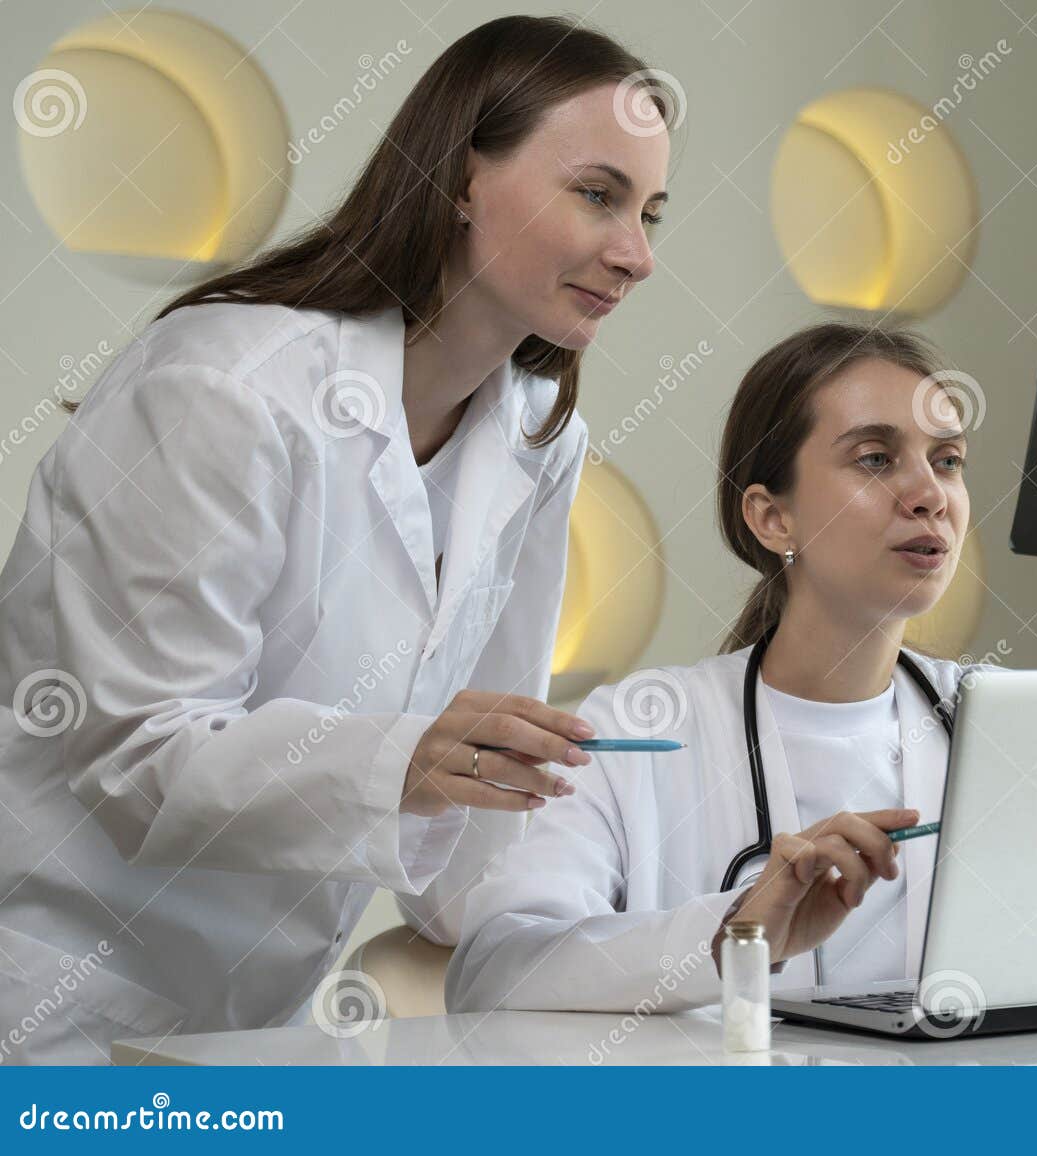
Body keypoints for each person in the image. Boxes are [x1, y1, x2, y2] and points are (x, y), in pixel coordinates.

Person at [0, 15, 672, 1063]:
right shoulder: (223, 389)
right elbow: (135, 751)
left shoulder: (537, 433)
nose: (634, 255)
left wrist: (705, 929)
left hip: (246, 1032)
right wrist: (410, 758)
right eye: (597, 193)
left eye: (650, 213)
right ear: (458, 178)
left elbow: (476, 837)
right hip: (48, 1003)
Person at [444, 322, 1037, 1014]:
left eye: (948, 461)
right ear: (772, 519)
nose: (930, 493)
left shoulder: (1009, 726)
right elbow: (492, 972)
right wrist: (737, 935)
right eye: (876, 458)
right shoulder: (632, 735)